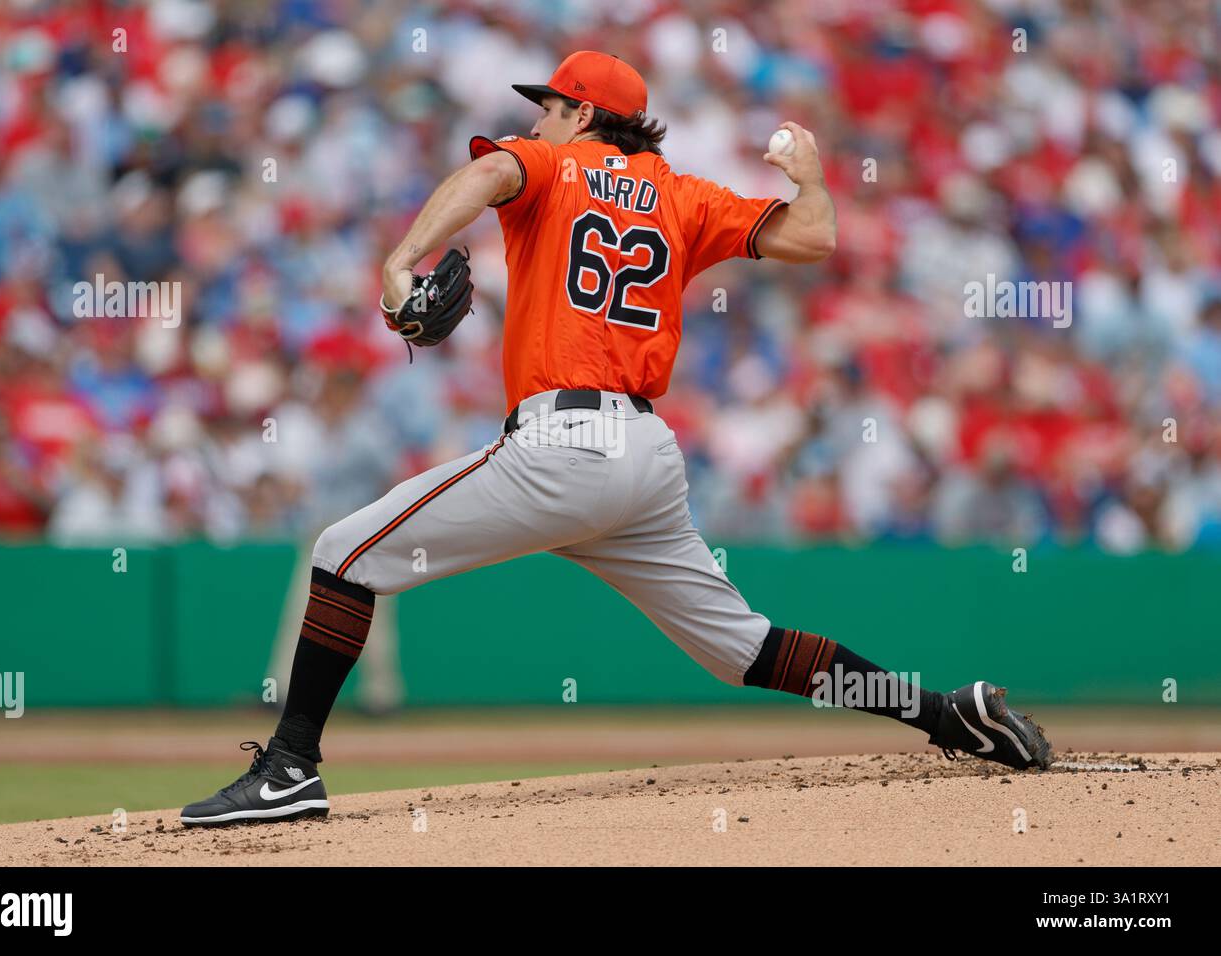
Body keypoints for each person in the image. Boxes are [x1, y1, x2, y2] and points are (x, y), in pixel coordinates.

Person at [180, 51, 1052, 827]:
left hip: (560, 447)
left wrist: (400, 260)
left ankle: (292, 766)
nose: (535, 118)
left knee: (341, 554)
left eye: (550, 104)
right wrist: (813, 174)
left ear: (584, 114)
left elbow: (482, 179)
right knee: (742, 648)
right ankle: (946, 713)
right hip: (644, 460)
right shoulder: (681, 196)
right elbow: (816, 233)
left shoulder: (554, 165)